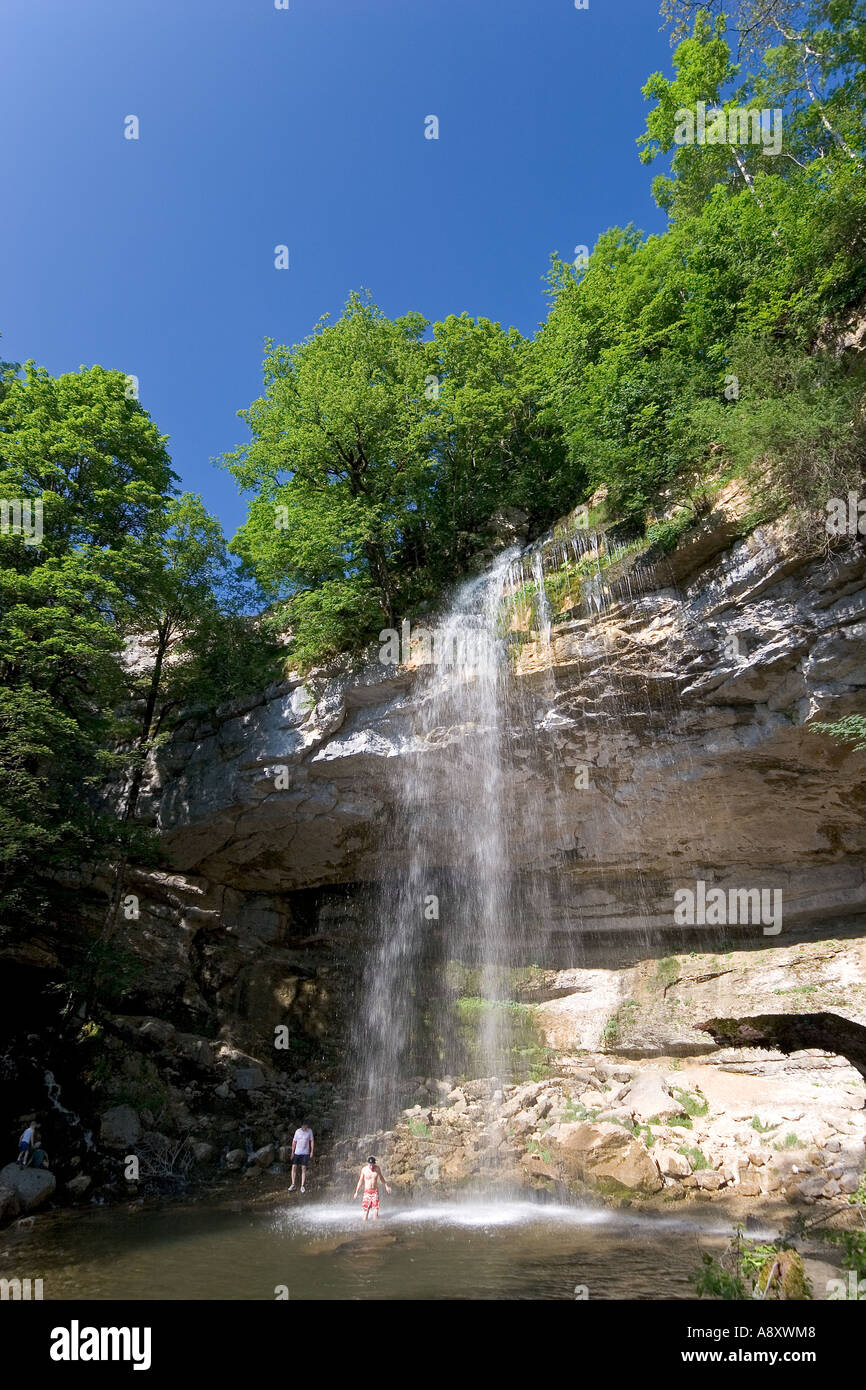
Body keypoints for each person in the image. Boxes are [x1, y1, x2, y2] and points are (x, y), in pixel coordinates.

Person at [353, 1156, 391, 1221]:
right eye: (370, 1165)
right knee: (366, 1210)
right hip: (367, 1192)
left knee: (376, 1209)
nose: (371, 1167)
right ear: (368, 1163)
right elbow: (360, 1181)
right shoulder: (364, 1170)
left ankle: (375, 1226)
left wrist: (386, 1186)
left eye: (373, 1165)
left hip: (375, 1192)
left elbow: (381, 1177)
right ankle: (364, 1226)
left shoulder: (377, 1169)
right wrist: (356, 1192)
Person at [288, 1120, 314, 1194]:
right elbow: (294, 1142)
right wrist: (292, 1152)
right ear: (301, 1126)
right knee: (294, 1167)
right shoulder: (297, 1131)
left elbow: (312, 1141)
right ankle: (293, 1184)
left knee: (303, 1168)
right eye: (303, 1126)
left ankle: (302, 1185)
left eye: (305, 1126)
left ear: (307, 1126)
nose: (304, 1127)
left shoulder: (310, 1131)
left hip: (305, 1153)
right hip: (297, 1152)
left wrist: (311, 1151)